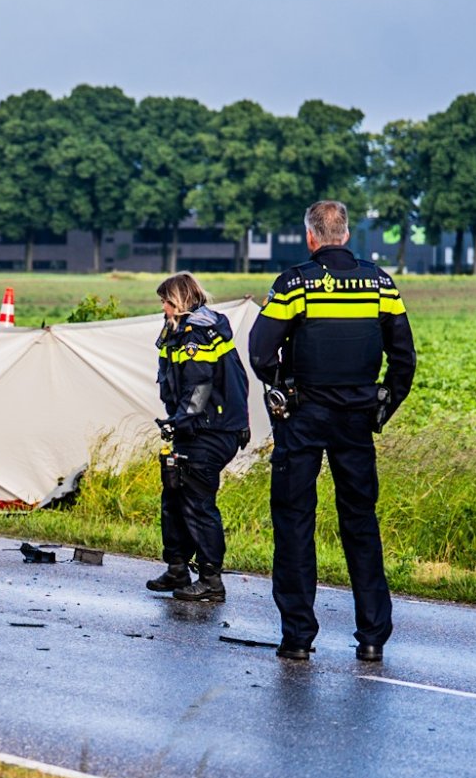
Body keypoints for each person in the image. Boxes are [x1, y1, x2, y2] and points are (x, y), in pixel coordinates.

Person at [248, 200, 416, 664]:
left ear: (311, 237)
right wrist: (383, 405)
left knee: (295, 521)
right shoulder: (381, 283)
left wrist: (282, 386)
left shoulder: (295, 283)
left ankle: (298, 638)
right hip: (357, 417)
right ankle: (371, 638)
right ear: (344, 234)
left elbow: (260, 352)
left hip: (303, 416)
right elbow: (404, 358)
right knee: (360, 523)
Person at [147, 273, 251, 603]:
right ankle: (177, 568)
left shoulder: (196, 333)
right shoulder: (187, 327)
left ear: (178, 300)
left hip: (208, 430)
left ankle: (210, 580)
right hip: (203, 428)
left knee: (197, 503)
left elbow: (198, 386)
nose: (162, 307)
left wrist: (179, 420)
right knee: (174, 497)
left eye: (165, 300)